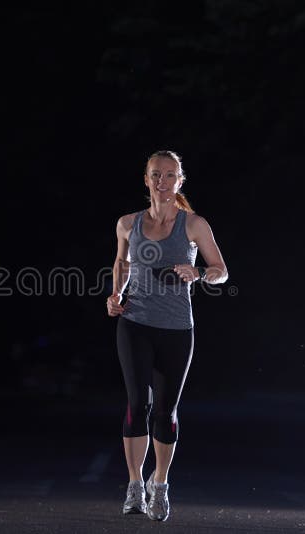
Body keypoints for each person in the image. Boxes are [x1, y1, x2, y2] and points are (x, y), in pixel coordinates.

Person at [106, 150, 228, 521]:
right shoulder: (128, 222)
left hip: (177, 329)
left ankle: (160, 484)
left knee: (164, 410)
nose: (162, 181)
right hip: (135, 322)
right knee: (135, 404)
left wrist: (199, 274)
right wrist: (116, 294)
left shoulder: (193, 225)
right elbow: (122, 262)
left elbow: (221, 270)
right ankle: (134, 486)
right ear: (147, 180)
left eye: (170, 175)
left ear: (180, 181)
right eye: (155, 175)